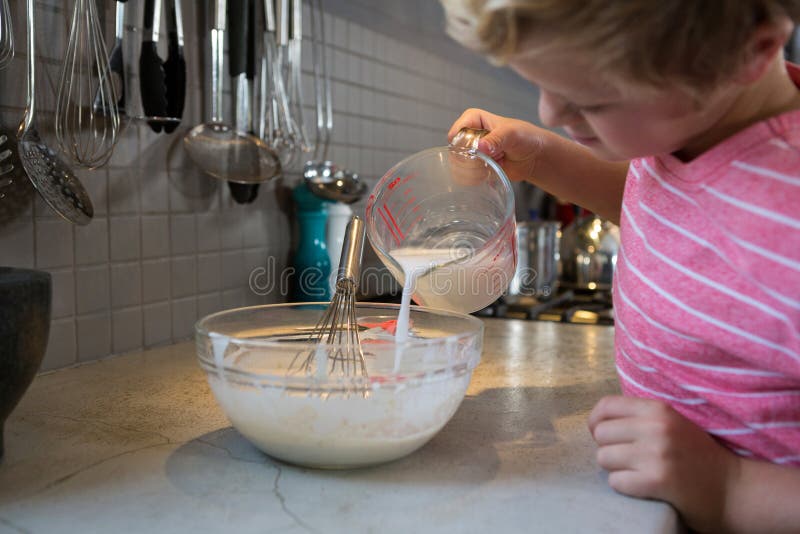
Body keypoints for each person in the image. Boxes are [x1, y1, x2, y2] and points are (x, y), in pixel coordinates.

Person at [440, 1, 800, 532]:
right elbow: (663, 206)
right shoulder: (694, 129)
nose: (549, 114)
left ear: (752, 49)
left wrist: (728, 488)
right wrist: (539, 157)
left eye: (592, 100)